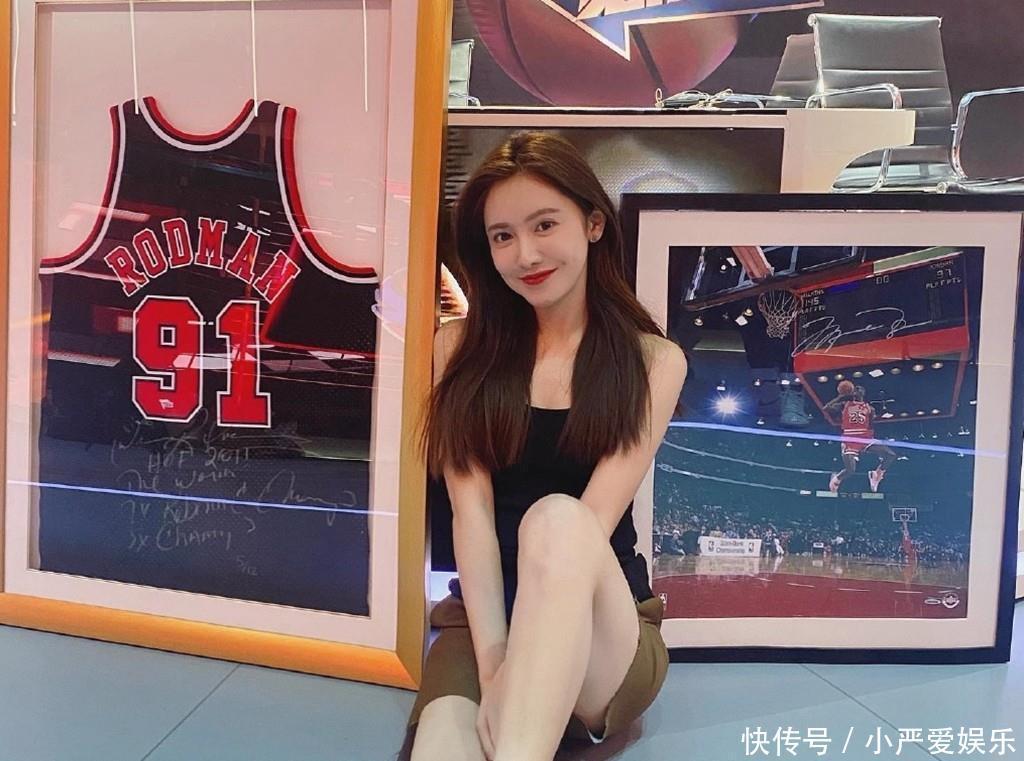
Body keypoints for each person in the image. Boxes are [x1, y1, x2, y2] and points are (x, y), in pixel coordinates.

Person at [409, 131, 688, 761]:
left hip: (601, 631)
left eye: (544, 225)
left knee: (559, 519)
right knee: (441, 750)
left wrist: (516, 685)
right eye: (502, 236)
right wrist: (495, 671)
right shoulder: (458, 349)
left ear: (593, 223)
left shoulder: (653, 362)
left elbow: (590, 528)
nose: (525, 254)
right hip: (485, 622)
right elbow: (471, 516)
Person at [824, 383, 898, 493]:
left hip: (864, 437)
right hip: (850, 438)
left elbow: (871, 425)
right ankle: (837, 478)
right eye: (855, 389)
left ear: (864, 393)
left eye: (860, 389)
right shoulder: (845, 404)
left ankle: (876, 474)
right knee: (851, 470)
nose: (858, 390)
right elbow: (826, 408)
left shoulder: (869, 408)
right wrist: (840, 397)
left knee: (890, 455)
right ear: (852, 393)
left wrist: (871, 441)